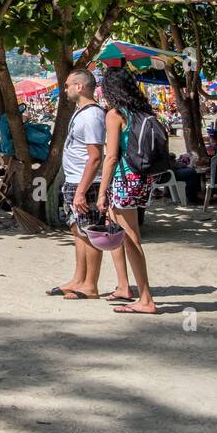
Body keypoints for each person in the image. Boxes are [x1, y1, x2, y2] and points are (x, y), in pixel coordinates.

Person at [98, 67, 159, 315]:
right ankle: (126, 287)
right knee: (120, 233)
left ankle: (146, 299)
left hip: (125, 178)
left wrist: (102, 190)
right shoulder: (141, 111)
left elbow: (111, 157)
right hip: (143, 177)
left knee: (131, 238)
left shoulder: (115, 114)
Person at [47, 69, 112, 301]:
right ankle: (79, 278)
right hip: (74, 180)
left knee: (90, 231)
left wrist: (82, 191)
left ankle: (90, 285)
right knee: (77, 230)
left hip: (86, 183)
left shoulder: (92, 115)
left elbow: (95, 156)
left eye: (67, 85)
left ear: (79, 87)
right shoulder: (81, 112)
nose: (64, 89)